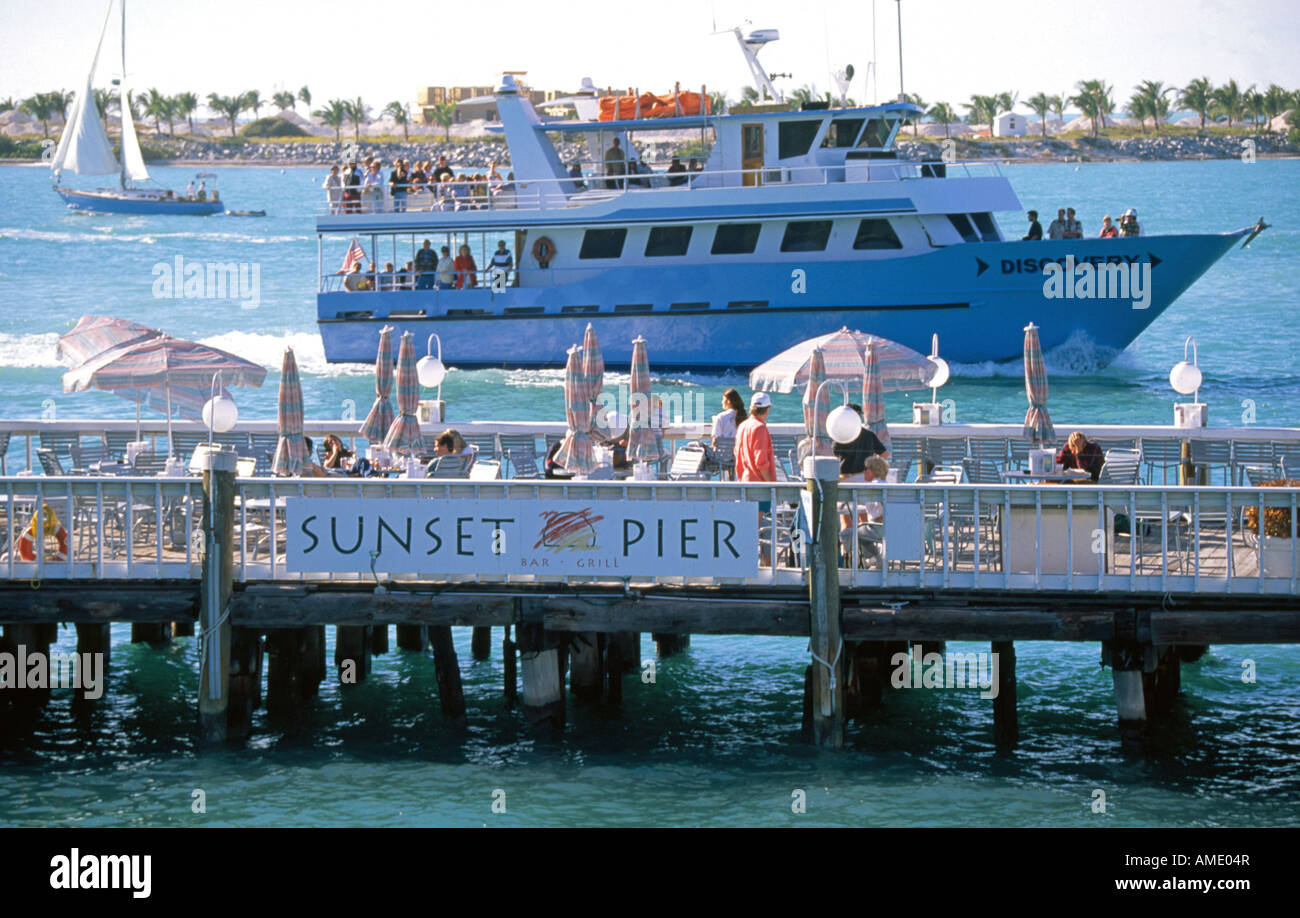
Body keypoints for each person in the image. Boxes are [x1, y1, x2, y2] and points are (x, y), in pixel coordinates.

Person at [838, 454, 890, 564]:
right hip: (888, 526)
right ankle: (875, 559)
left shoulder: (873, 486)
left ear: (873, 470)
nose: (864, 472)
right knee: (861, 535)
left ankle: (848, 562)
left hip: (878, 527)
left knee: (846, 534)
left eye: (866, 469)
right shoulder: (885, 484)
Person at [833, 404, 888, 479]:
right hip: (865, 477)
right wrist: (872, 468)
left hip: (846, 477)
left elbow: (833, 459)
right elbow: (884, 454)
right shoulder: (869, 435)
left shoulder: (842, 436)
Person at [735, 392, 776, 482]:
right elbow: (761, 462)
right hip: (758, 485)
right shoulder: (760, 428)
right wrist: (771, 484)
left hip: (744, 481)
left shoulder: (742, 426)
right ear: (767, 409)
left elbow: (737, 454)